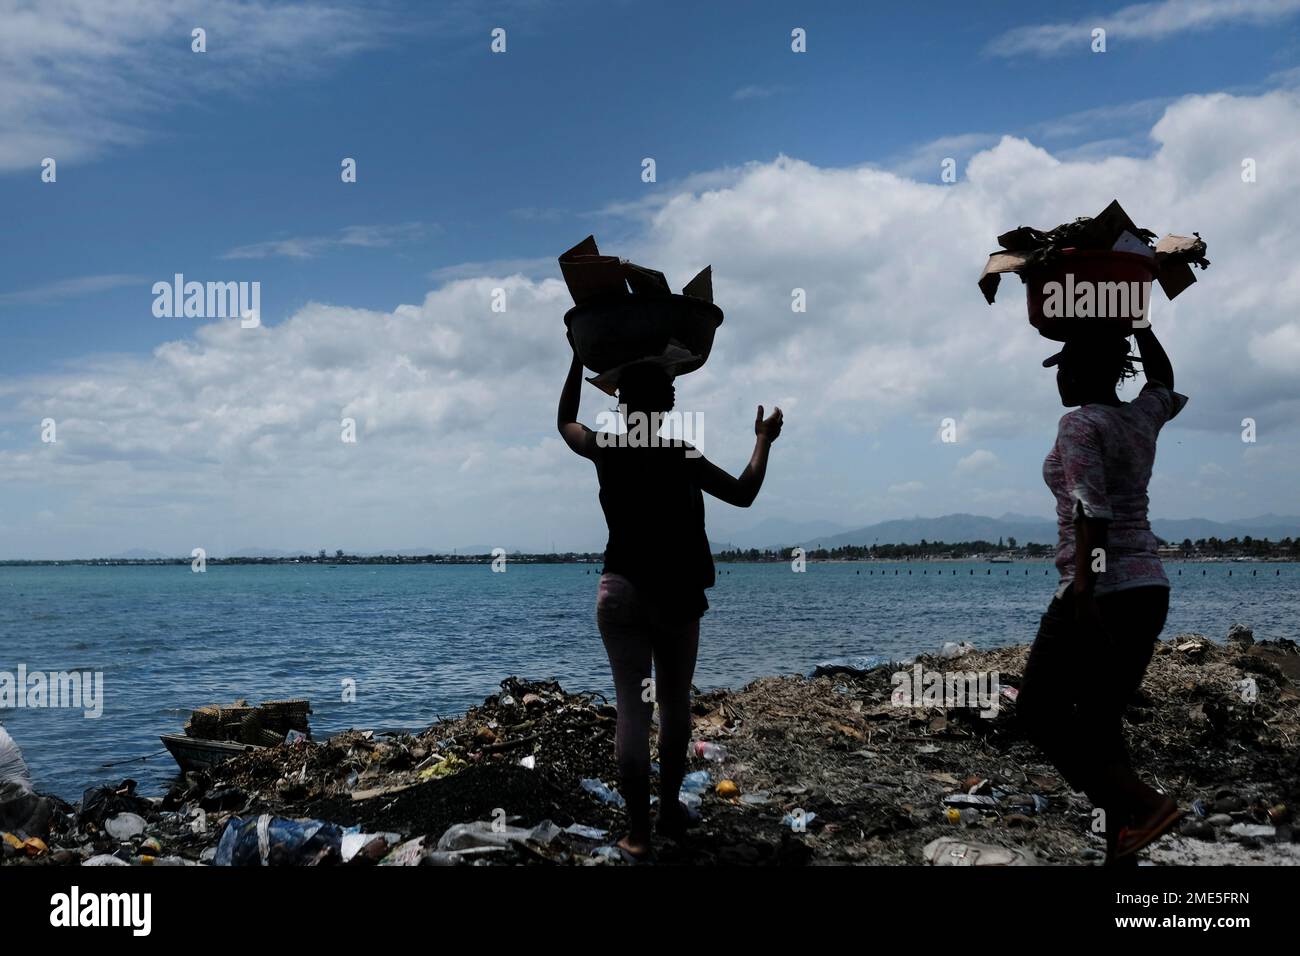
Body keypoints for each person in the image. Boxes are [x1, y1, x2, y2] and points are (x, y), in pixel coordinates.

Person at [557, 344, 783, 859]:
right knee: (674, 704)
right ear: (666, 405)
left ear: (620, 402)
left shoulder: (606, 447)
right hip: (676, 596)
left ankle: (638, 835)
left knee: (632, 711)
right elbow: (745, 492)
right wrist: (763, 441)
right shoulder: (681, 454)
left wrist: (576, 357)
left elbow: (565, 419)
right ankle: (669, 811)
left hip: (621, 593)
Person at [1017, 326, 1187, 865]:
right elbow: (1162, 379)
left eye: (1066, 366)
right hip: (1148, 588)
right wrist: (1141, 321)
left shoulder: (1080, 423)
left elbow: (1092, 507)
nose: (1060, 377)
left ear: (1089, 370)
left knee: (1038, 712)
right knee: (1099, 718)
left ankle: (1146, 806)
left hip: (1101, 589)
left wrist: (1085, 592)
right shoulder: (1140, 418)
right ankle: (1124, 849)